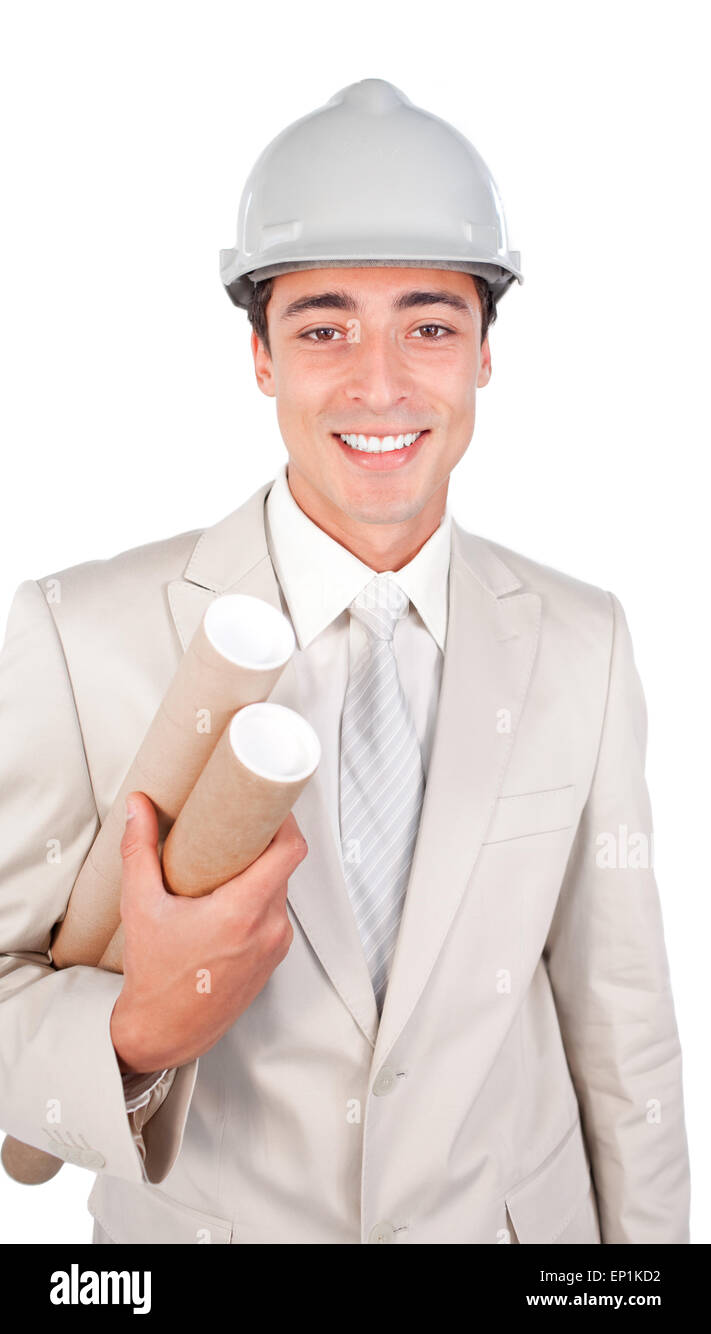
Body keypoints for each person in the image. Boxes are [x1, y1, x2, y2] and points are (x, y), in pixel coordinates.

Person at [0, 79, 690, 1244]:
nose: (380, 383)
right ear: (261, 357)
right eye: (324, 327)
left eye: (430, 325)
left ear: (484, 357)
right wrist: (136, 1034)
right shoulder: (83, 635)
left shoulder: (586, 639)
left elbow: (622, 1027)